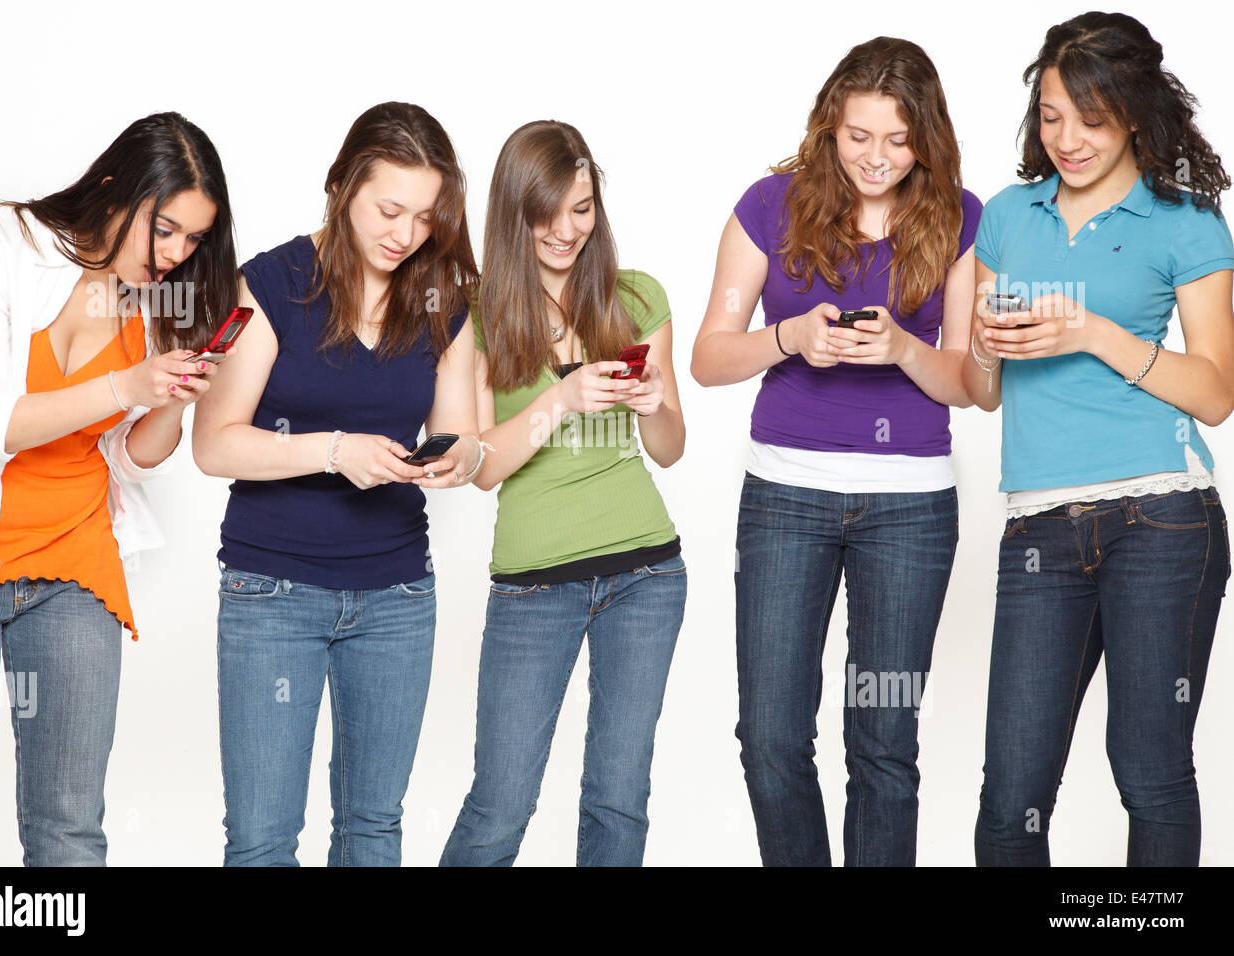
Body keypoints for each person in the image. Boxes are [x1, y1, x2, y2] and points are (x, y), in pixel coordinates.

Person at [691, 36, 980, 866]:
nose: (877, 158)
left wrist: (900, 351)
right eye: (859, 137)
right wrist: (787, 337)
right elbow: (710, 359)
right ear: (829, 126)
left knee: (884, 741)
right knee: (772, 734)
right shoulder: (767, 205)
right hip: (785, 499)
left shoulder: (962, 217)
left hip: (911, 510)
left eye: (897, 140)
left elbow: (966, 379)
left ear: (925, 136)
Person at [964, 12, 1234, 866]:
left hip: (1162, 519)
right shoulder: (1007, 216)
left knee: (1149, 773)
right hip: (1039, 526)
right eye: (1050, 116)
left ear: (1133, 114)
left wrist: (1093, 333)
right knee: (1010, 801)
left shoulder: (1185, 222)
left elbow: (1218, 392)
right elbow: (980, 392)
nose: (1069, 138)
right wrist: (977, 342)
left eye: (1092, 118)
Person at [0, 111, 237, 865]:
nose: (174, 255)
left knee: (69, 832)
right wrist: (123, 383)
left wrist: (172, 393)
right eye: (163, 229)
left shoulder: (153, 306)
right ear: (114, 188)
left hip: (73, 569)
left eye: (193, 240)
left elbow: (129, 460)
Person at [192, 102, 482, 867]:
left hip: (397, 599)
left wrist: (462, 459)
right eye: (389, 209)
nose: (406, 233)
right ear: (341, 187)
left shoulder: (440, 298)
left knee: (371, 830)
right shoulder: (271, 285)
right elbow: (215, 445)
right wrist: (332, 451)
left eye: (425, 217)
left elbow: (460, 433)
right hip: (271, 595)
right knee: (261, 841)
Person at [440, 120, 687, 867]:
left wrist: (652, 406)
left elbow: (672, 451)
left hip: (646, 571)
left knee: (618, 800)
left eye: (583, 209)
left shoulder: (636, 297)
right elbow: (482, 465)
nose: (567, 228)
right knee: (501, 803)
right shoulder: (477, 314)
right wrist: (563, 400)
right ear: (515, 211)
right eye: (549, 211)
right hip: (532, 585)